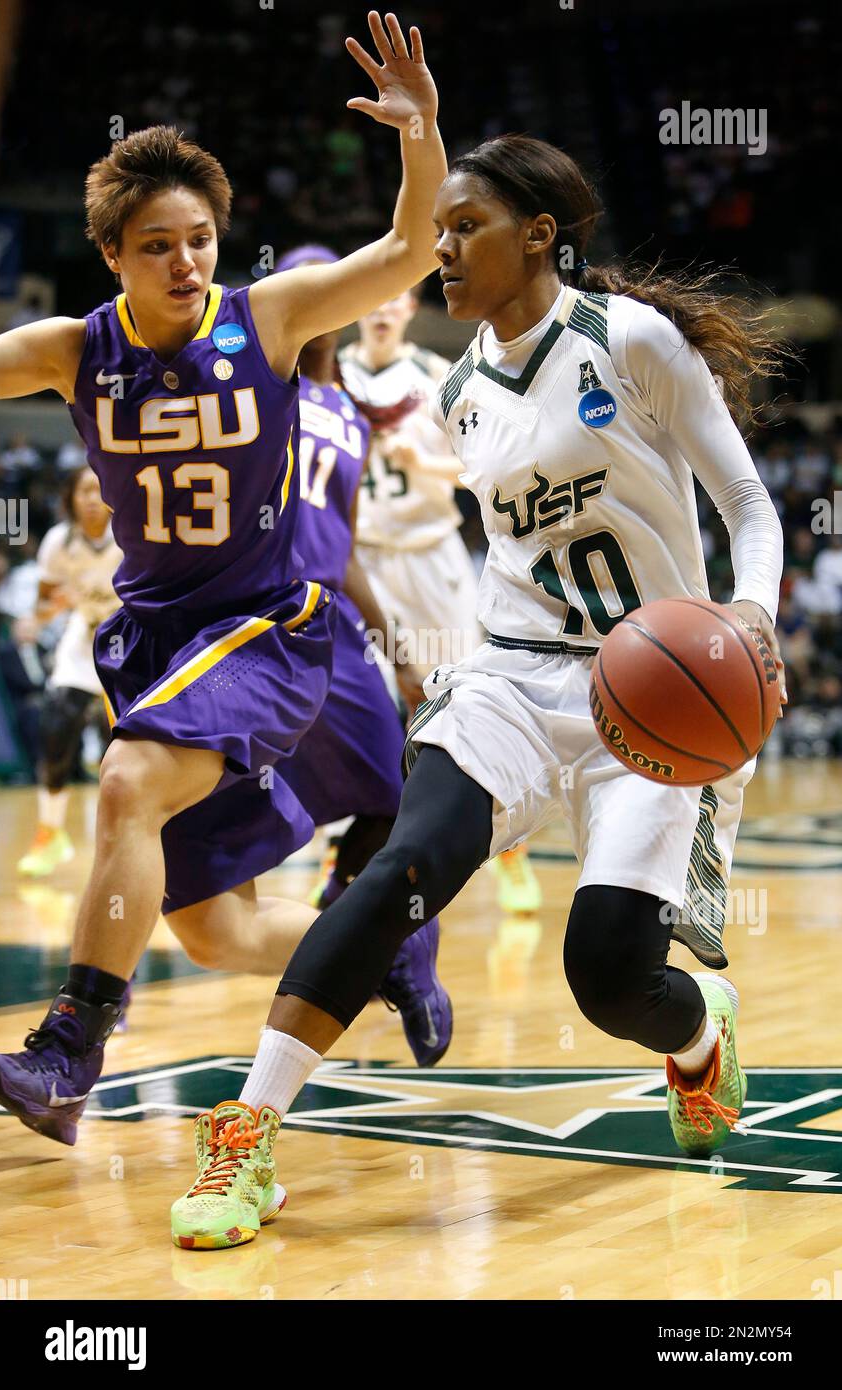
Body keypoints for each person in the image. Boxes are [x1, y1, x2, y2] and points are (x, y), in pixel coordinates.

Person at [170, 133, 786, 1251]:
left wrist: (748, 611)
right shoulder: (460, 391)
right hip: (509, 670)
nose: (442, 249)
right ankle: (246, 1133)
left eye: (466, 229)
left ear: (539, 235)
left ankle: (696, 1039)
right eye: (437, 229)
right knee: (402, 865)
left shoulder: (629, 342)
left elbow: (747, 503)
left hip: (648, 690)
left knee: (607, 974)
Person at [0, 11, 446, 1147]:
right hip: (155, 634)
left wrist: (422, 135)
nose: (185, 261)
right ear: (112, 256)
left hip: (267, 626)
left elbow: (405, 254)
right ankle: (378, 943)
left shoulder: (270, 317)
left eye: (199, 237)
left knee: (126, 788)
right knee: (212, 930)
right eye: (157, 244)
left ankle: (69, 1052)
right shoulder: (73, 349)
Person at [165, 242, 452, 1074]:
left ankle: (399, 958)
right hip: (247, 620)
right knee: (198, 816)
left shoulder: (351, 413)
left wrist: (396, 643)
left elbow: (345, 540)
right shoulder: (256, 385)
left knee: (397, 807)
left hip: (326, 617)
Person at [340, 288, 543, 911]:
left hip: (431, 554)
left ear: (409, 309)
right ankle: (351, 845)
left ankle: (510, 852)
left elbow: (481, 470)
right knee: (359, 703)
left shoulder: (439, 376)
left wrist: (421, 464)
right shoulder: (330, 375)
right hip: (363, 558)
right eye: (374, 301)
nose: (381, 310)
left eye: (394, 301)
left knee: (468, 700)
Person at [18, 466, 121, 877]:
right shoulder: (58, 543)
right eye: (84, 490)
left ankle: (149, 840)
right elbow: (44, 603)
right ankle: (50, 834)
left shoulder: (131, 536)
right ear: (71, 497)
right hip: (84, 638)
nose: (92, 498)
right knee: (56, 727)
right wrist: (40, 617)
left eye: (100, 489)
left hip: (129, 640)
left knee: (129, 747)